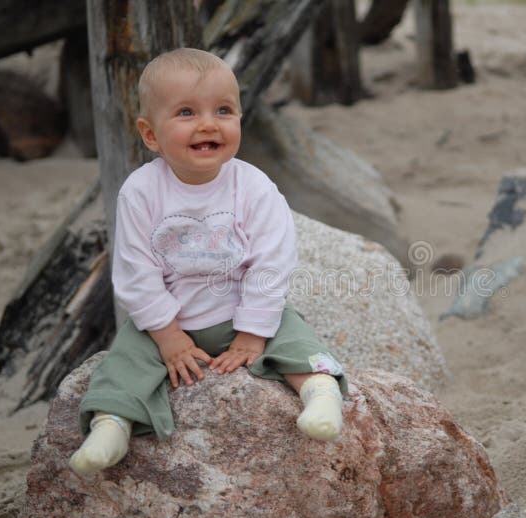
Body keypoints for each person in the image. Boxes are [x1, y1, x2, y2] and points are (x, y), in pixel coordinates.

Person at [69, 48, 347, 476]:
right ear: (150, 134)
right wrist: (168, 337)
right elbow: (134, 270)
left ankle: (320, 394)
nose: (208, 123)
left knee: (295, 337)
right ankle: (112, 425)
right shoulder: (141, 191)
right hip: (171, 320)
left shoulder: (253, 186)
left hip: (240, 311)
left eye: (223, 110)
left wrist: (254, 334)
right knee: (125, 359)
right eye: (186, 112)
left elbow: (272, 261)